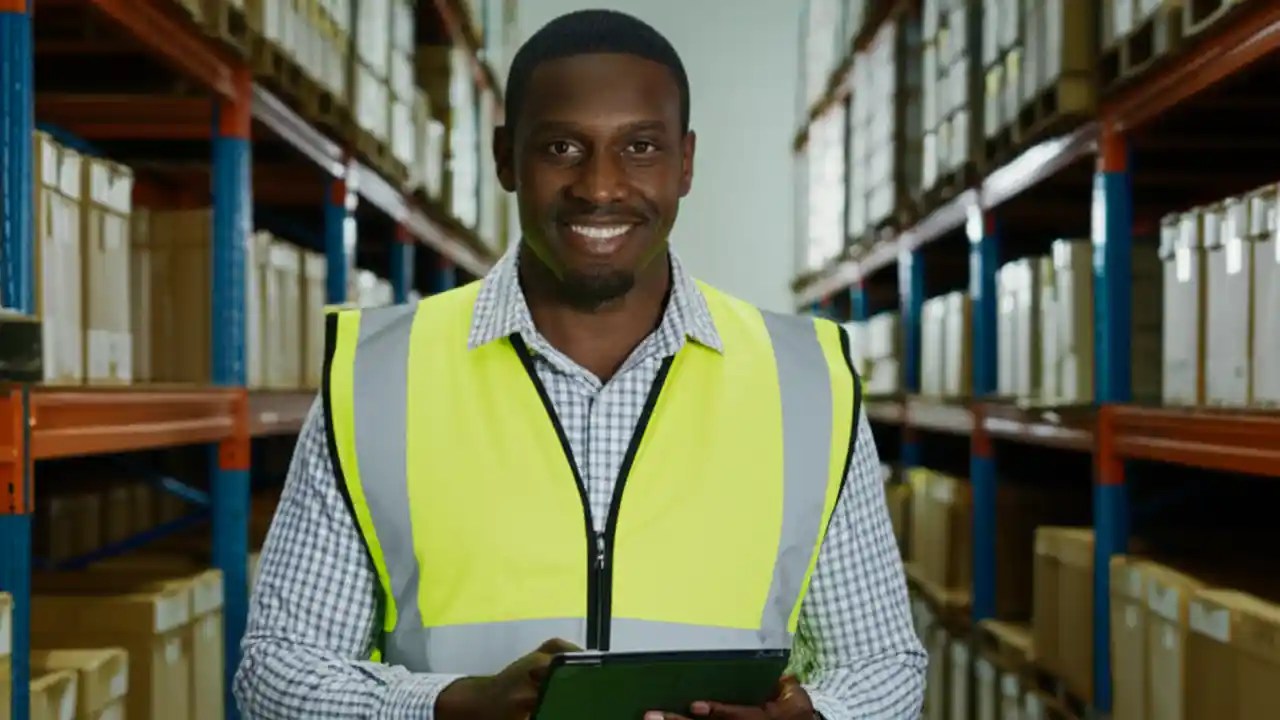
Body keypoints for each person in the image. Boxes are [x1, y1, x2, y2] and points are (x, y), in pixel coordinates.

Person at [233, 8, 926, 720]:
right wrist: (448, 705)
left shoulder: (805, 381)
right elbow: (278, 672)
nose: (600, 186)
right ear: (506, 158)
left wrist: (817, 718)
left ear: (686, 162)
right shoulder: (378, 377)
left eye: (641, 148)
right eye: (562, 147)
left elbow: (883, 666)